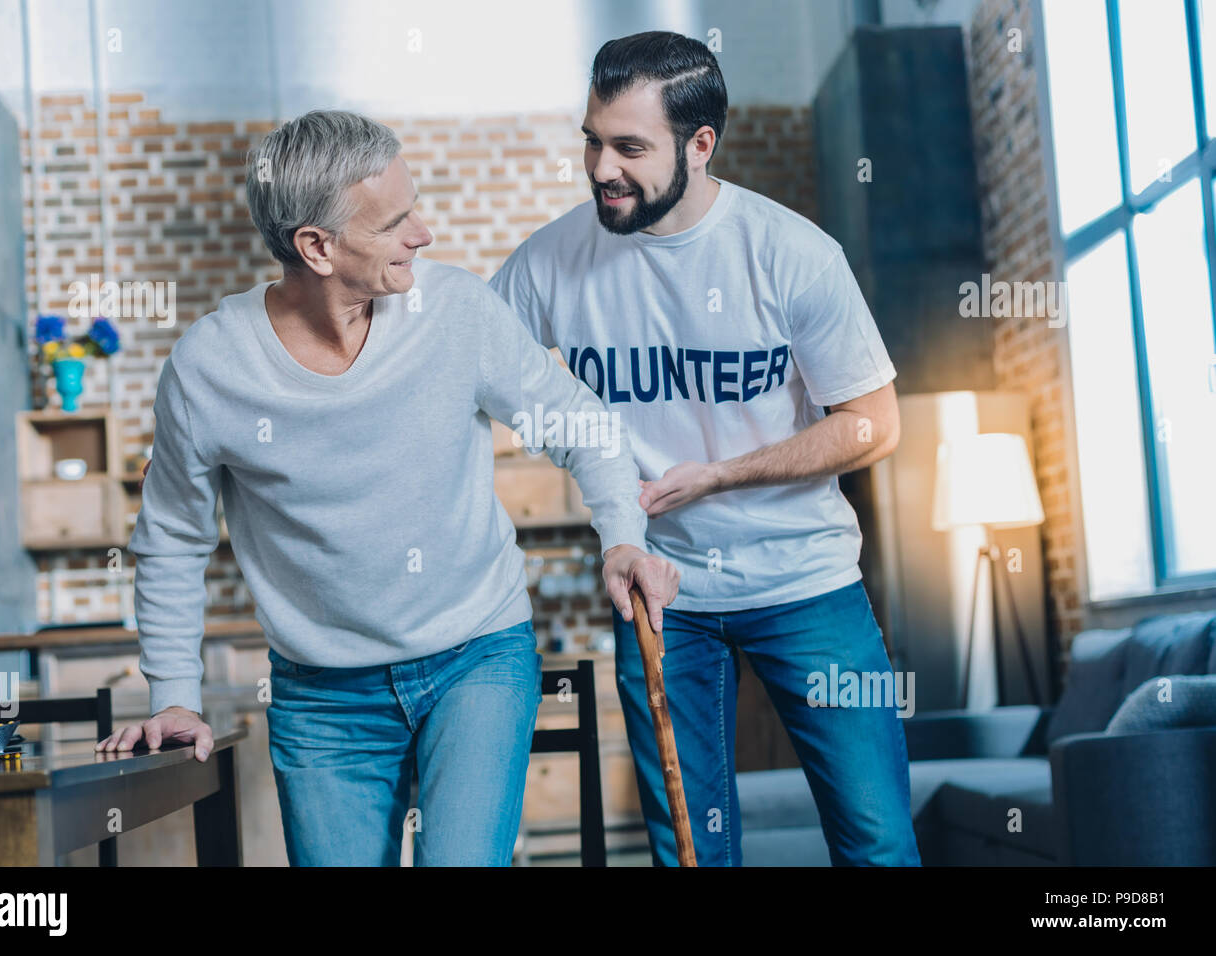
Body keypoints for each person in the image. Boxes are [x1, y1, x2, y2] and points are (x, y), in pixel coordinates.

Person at [100, 109, 679, 866]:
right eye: (396, 220)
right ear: (318, 246)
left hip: (475, 654)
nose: (424, 234)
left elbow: (580, 424)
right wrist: (175, 694)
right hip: (321, 696)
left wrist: (623, 539)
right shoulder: (211, 369)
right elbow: (172, 540)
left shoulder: (455, 312)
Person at [490, 31, 920, 867]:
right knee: (689, 853)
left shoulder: (792, 254)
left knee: (877, 843)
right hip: (663, 596)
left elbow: (875, 423)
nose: (600, 166)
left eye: (628, 147)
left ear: (699, 145)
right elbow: (464, 370)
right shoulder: (551, 261)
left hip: (808, 583)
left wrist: (722, 476)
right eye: (591, 139)